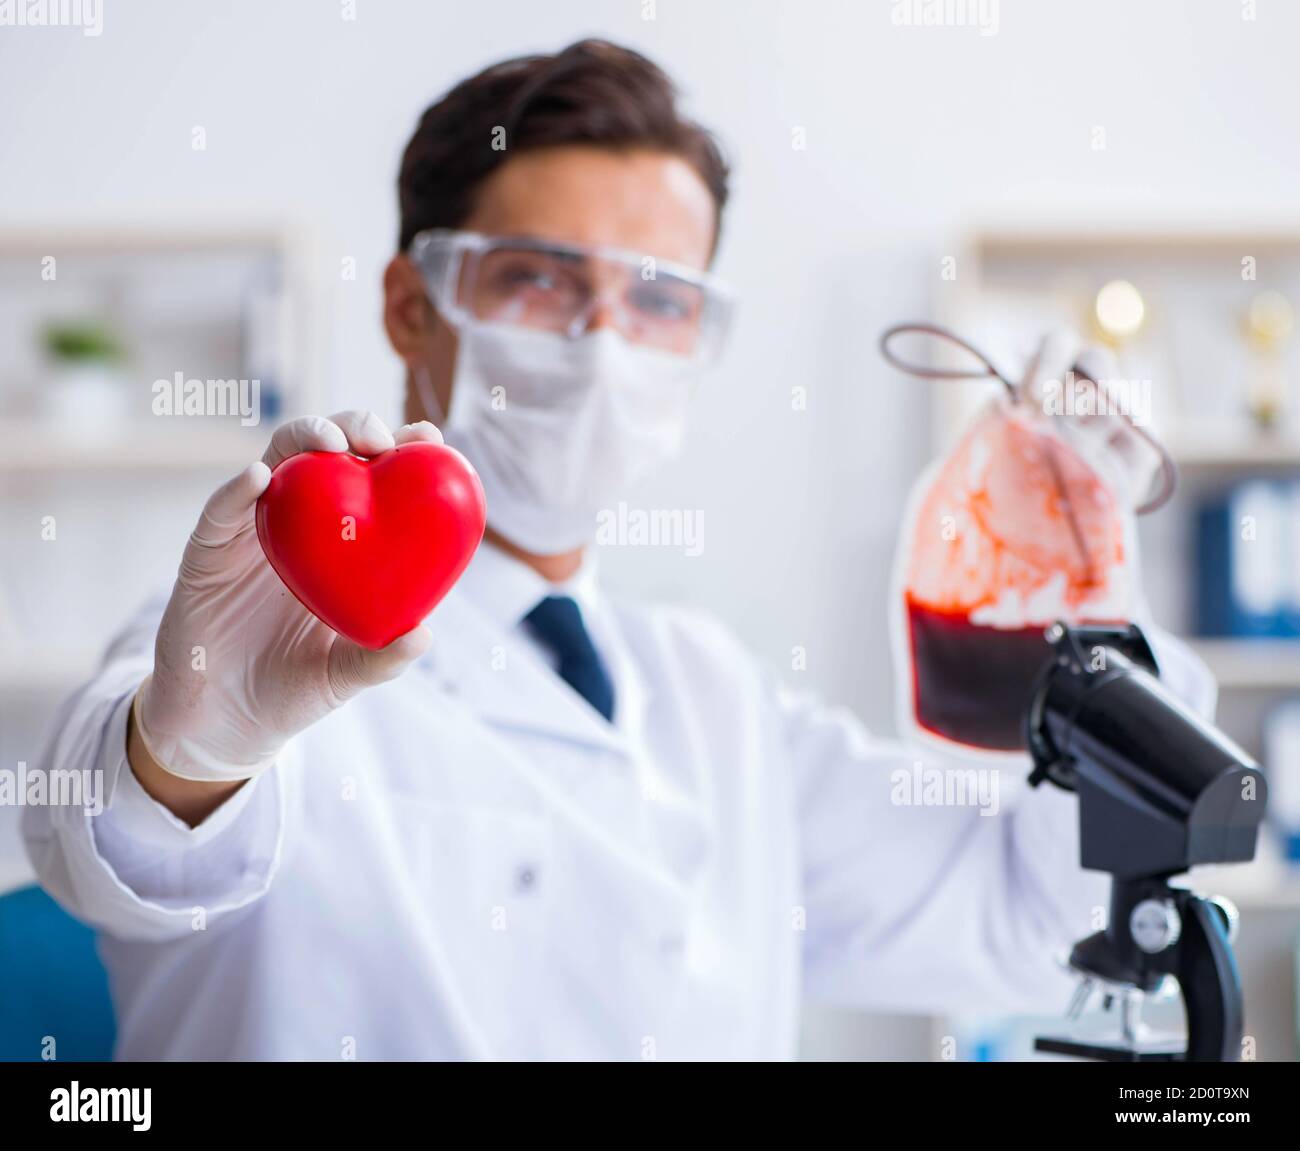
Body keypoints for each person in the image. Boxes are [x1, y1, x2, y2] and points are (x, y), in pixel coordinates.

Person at [24, 39, 1212, 1060]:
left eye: (657, 299)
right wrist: (190, 746)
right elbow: (105, 844)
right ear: (408, 306)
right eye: (538, 279)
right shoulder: (264, 644)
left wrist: (1100, 593)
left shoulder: (713, 696)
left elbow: (1016, 919)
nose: (602, 344)